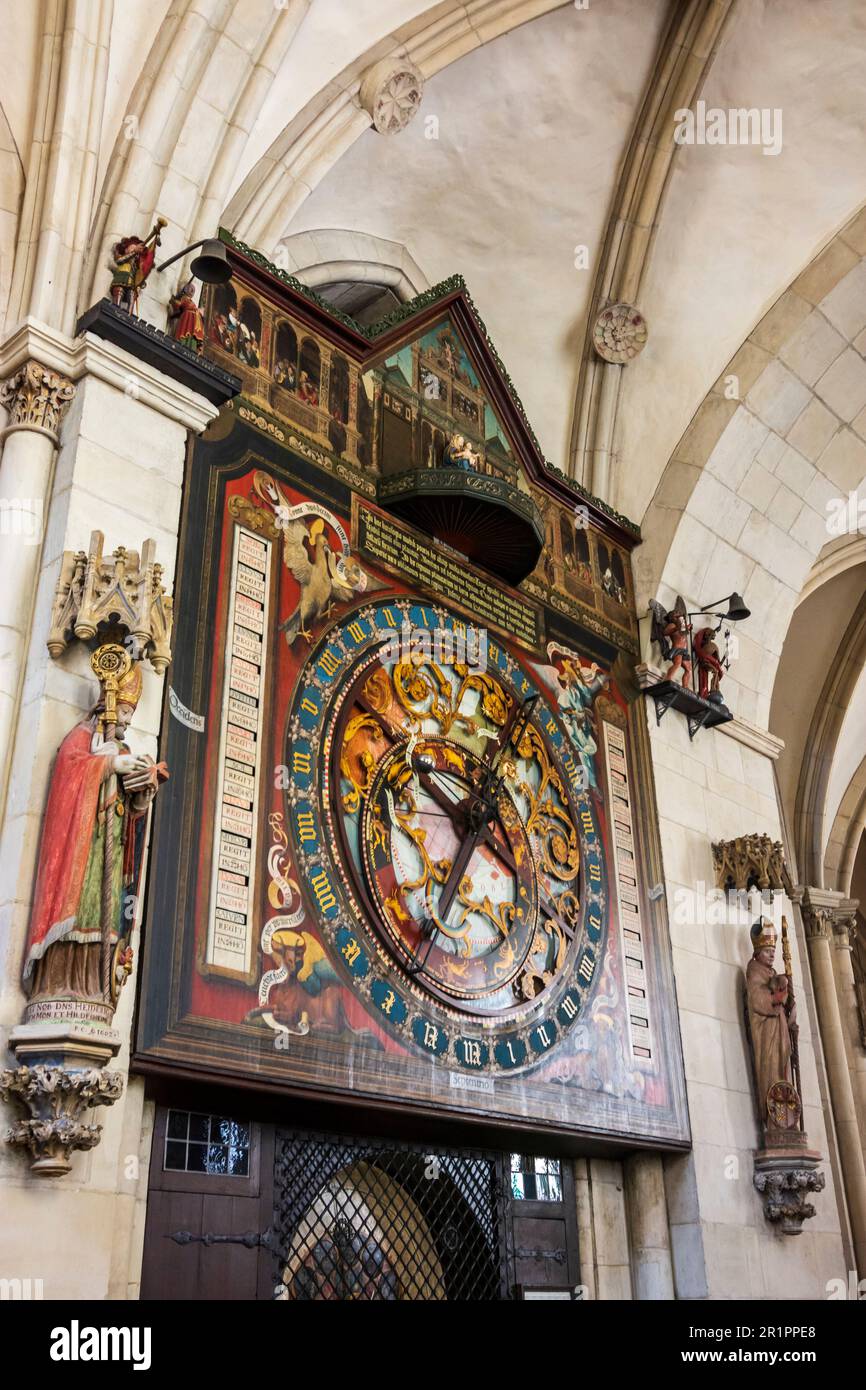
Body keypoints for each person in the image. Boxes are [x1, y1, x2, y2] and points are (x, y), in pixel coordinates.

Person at [22, 664, 167, 1003]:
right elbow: (67, 779)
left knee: (104, 919)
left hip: (111, 858)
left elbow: (129, 815)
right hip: (81, 851)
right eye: (126, 712)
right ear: (108, 707)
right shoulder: (81, 739)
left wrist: (142, 795)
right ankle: (55, 988)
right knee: (80, 913)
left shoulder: (125, 751)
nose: (129, 721)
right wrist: (107, 766)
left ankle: (93, 990)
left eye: (132, 715)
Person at [745, 919, 798, 1128]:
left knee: (783, 1073)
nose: (772, 954)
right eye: (768, 950)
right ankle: (775, 1121)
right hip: (766, 1037)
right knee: (770, 1076)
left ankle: (787, 1119)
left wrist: (789, 1008)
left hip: (780, 1035)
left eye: (774, 950)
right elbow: (758, 1001)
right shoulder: (754, 971)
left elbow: (780, 1001)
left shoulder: (772, 973)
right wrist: (778, 996)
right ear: (757, 953)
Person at [167, 279, 204, 353]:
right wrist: (173, 301)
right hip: (189, 317)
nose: (192, 291)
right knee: (186, 332)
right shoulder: (184, 298)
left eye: (193, 290)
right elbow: (179, 306)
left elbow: (179, 305)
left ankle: (190, 349)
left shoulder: (189, 300)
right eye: (191, 289)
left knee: (192, 334)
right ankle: (182, 346)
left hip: (193, 319)